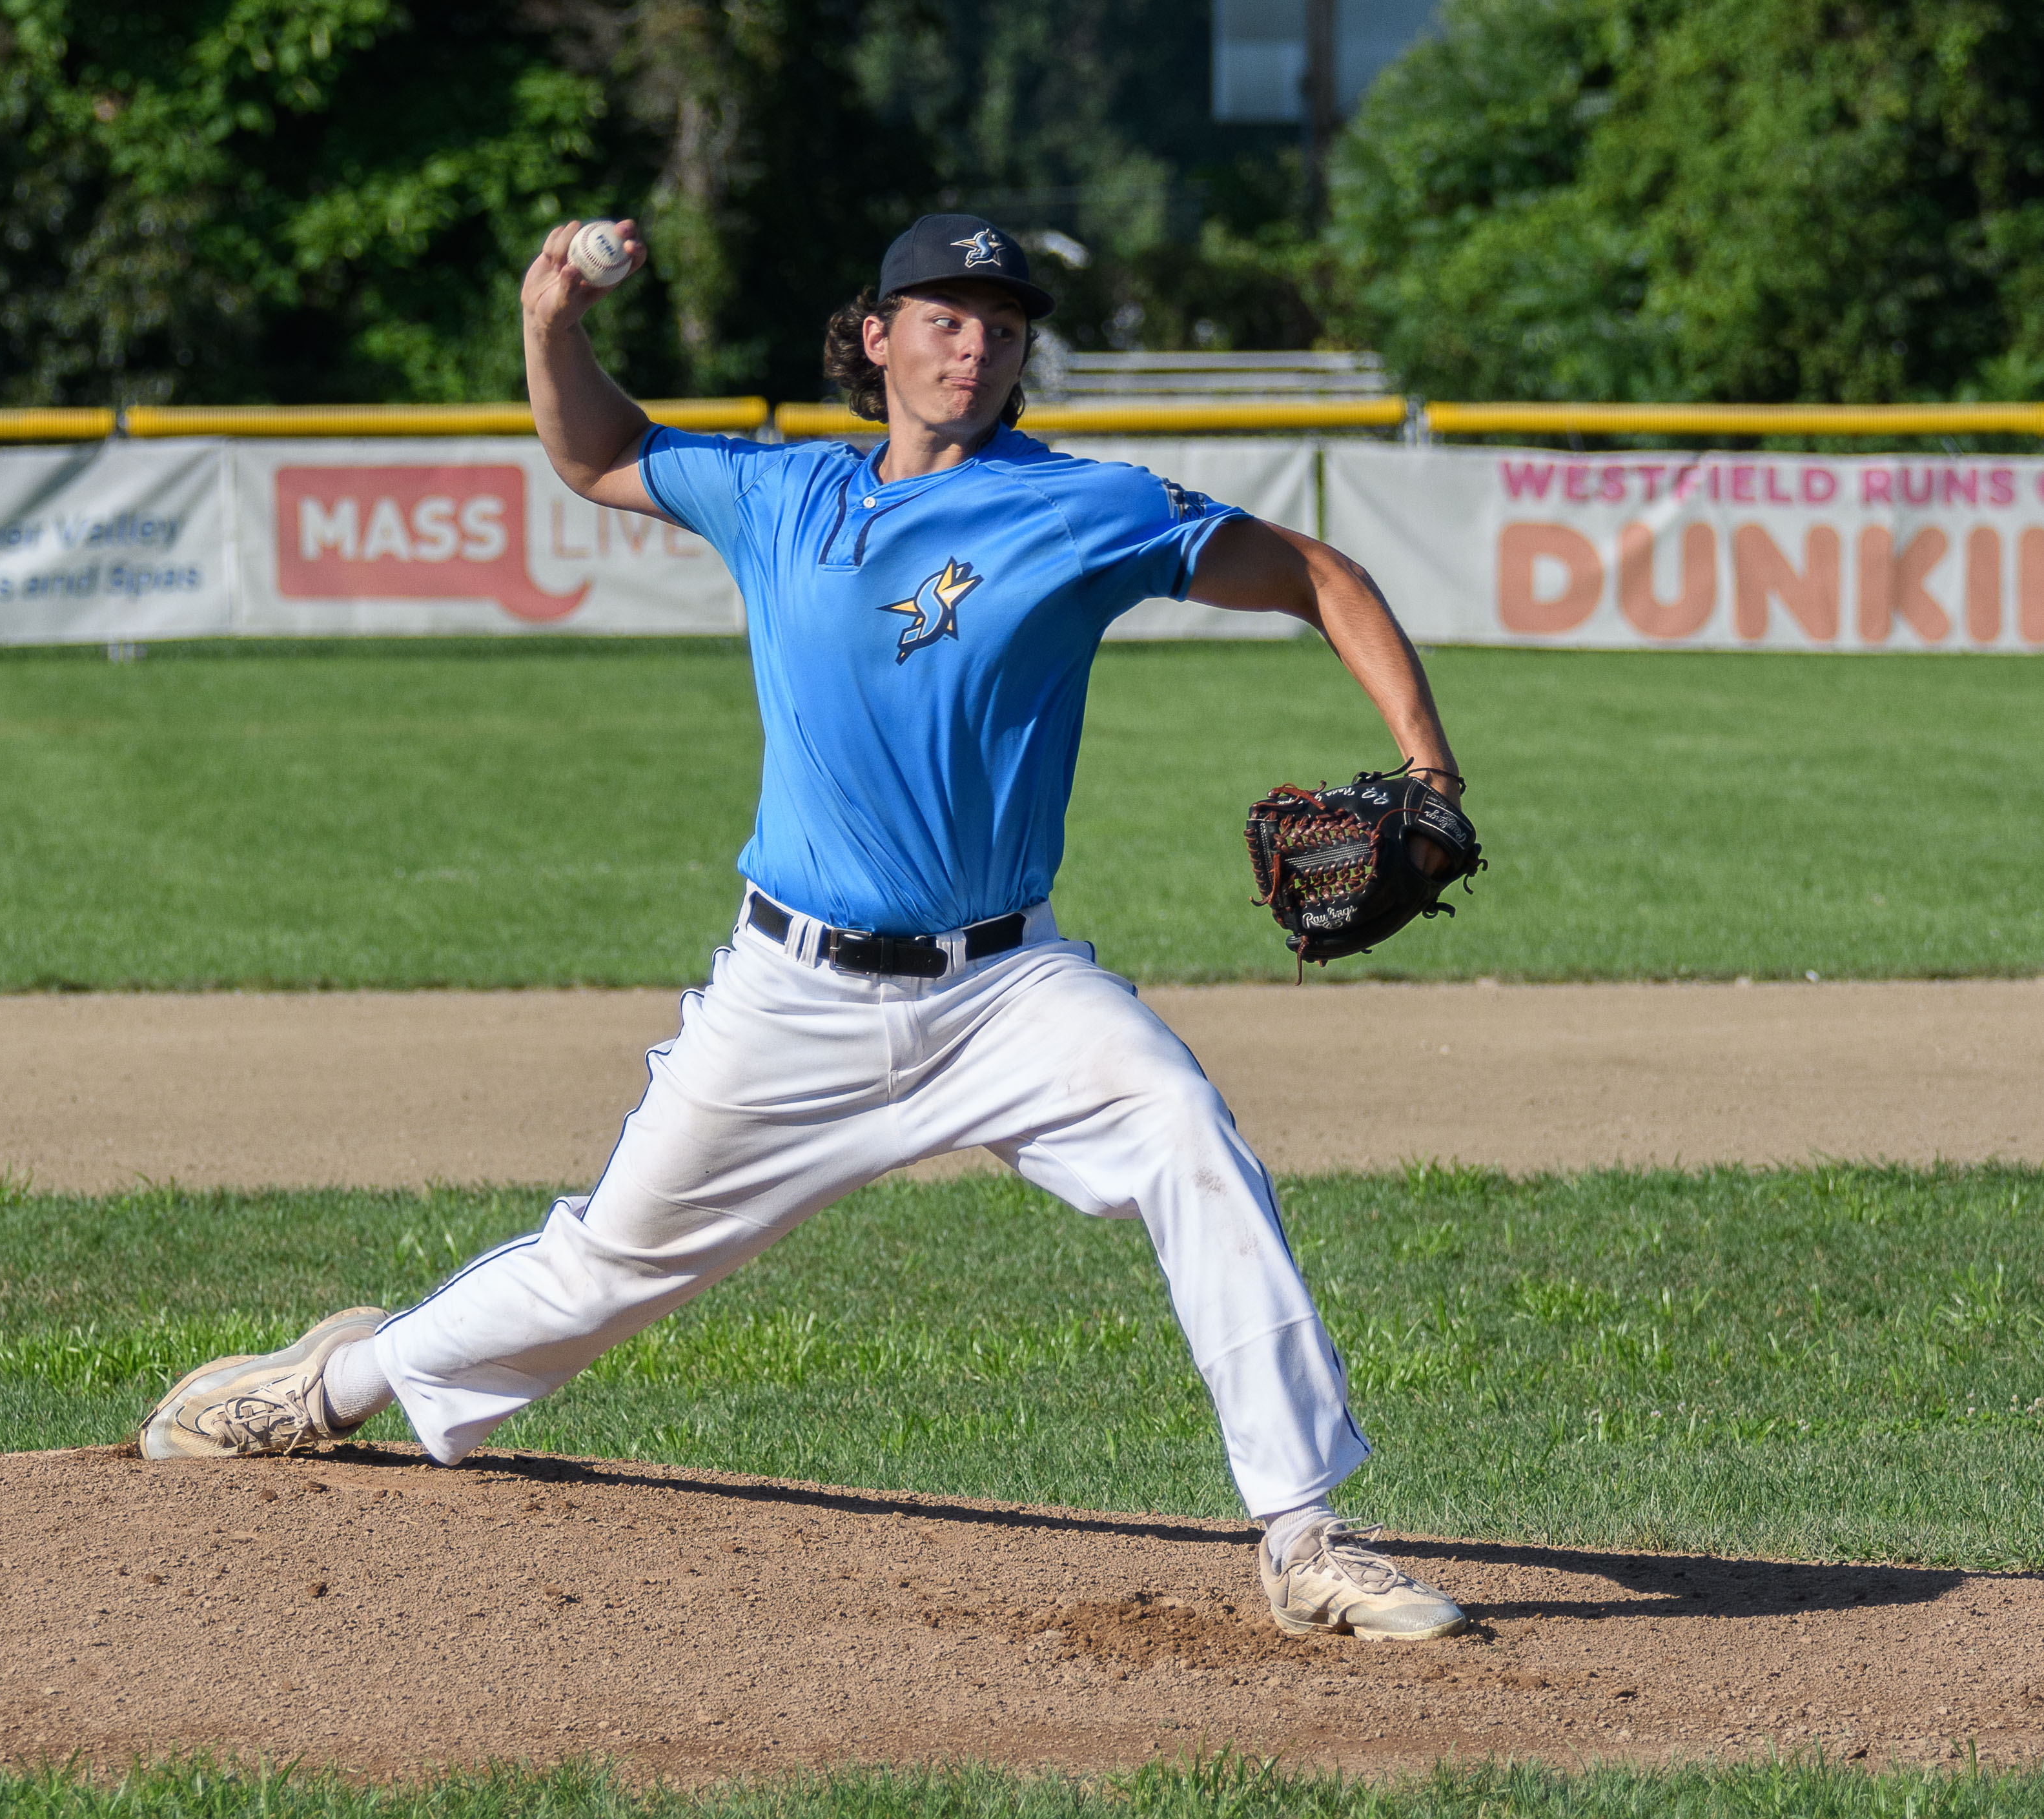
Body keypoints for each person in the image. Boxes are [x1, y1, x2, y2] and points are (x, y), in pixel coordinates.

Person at [141, 214, 1471, 1643]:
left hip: (1006, 986)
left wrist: (1430, 770)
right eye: (945, 317)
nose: (975, 344)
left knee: (1186, 1135)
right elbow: (595, 452)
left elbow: (1321, 576)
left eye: (1003, 325)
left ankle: (1305, 1534)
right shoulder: (781, 496)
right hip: (792, 992)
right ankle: (332, 1384)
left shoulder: (1087, 508)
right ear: (876, 336)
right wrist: (551, 320)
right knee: (605, 1269)